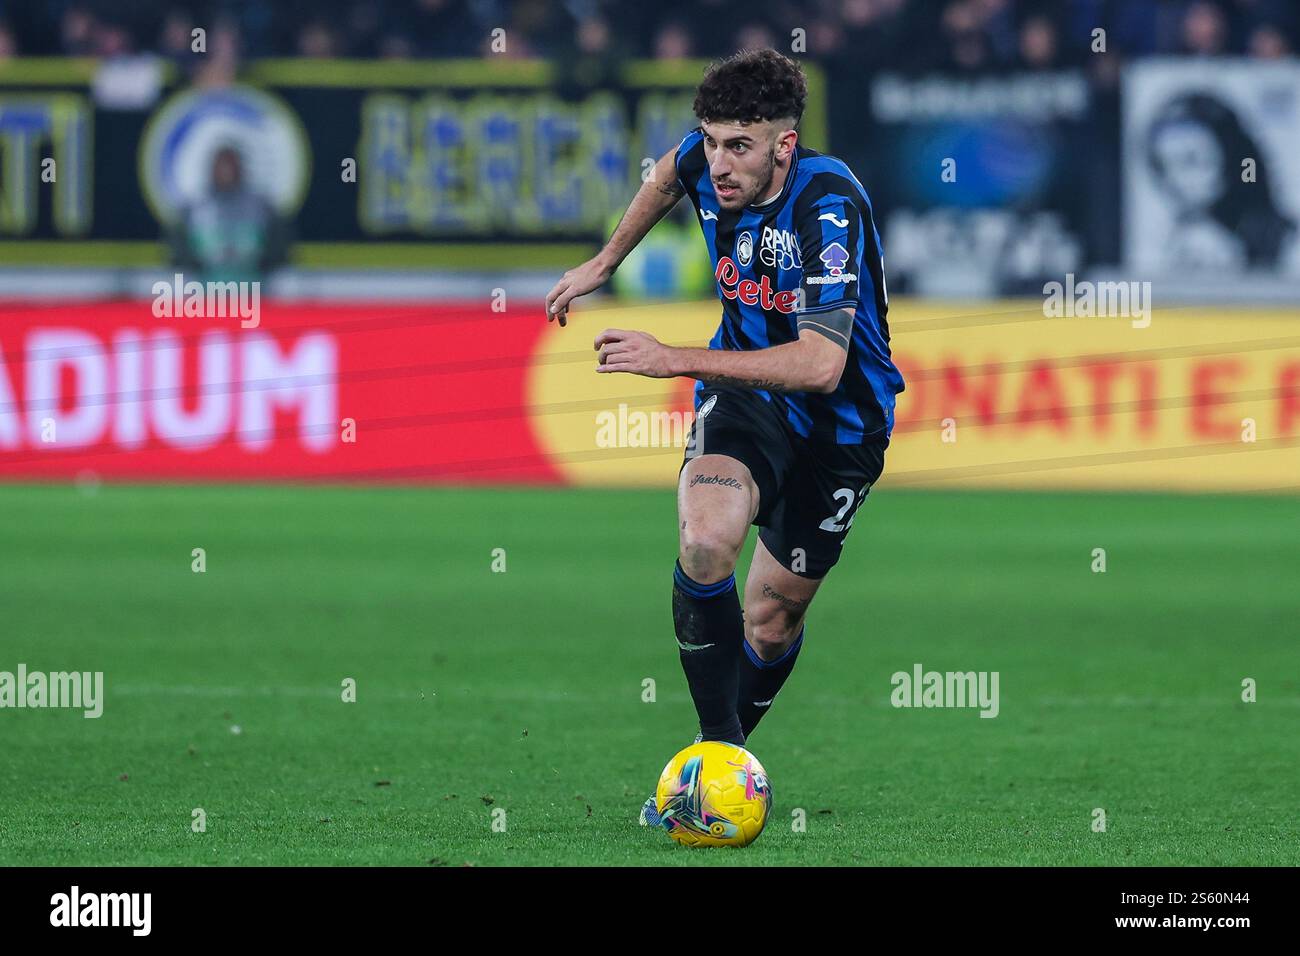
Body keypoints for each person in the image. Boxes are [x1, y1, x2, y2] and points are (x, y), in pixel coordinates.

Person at [544, 49, 905, 825]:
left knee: (771, 624)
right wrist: (606, 260)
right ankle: (716, 761)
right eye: (709, 141)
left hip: (840, 427)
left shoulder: (827, 205)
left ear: (783, 144)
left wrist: (671, 357)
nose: (717, 163)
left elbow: (818, 364)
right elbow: (665, 176)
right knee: (706, 540)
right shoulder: (707, 162)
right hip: (744, 399)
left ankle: (714, 763)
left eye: (737, 146)